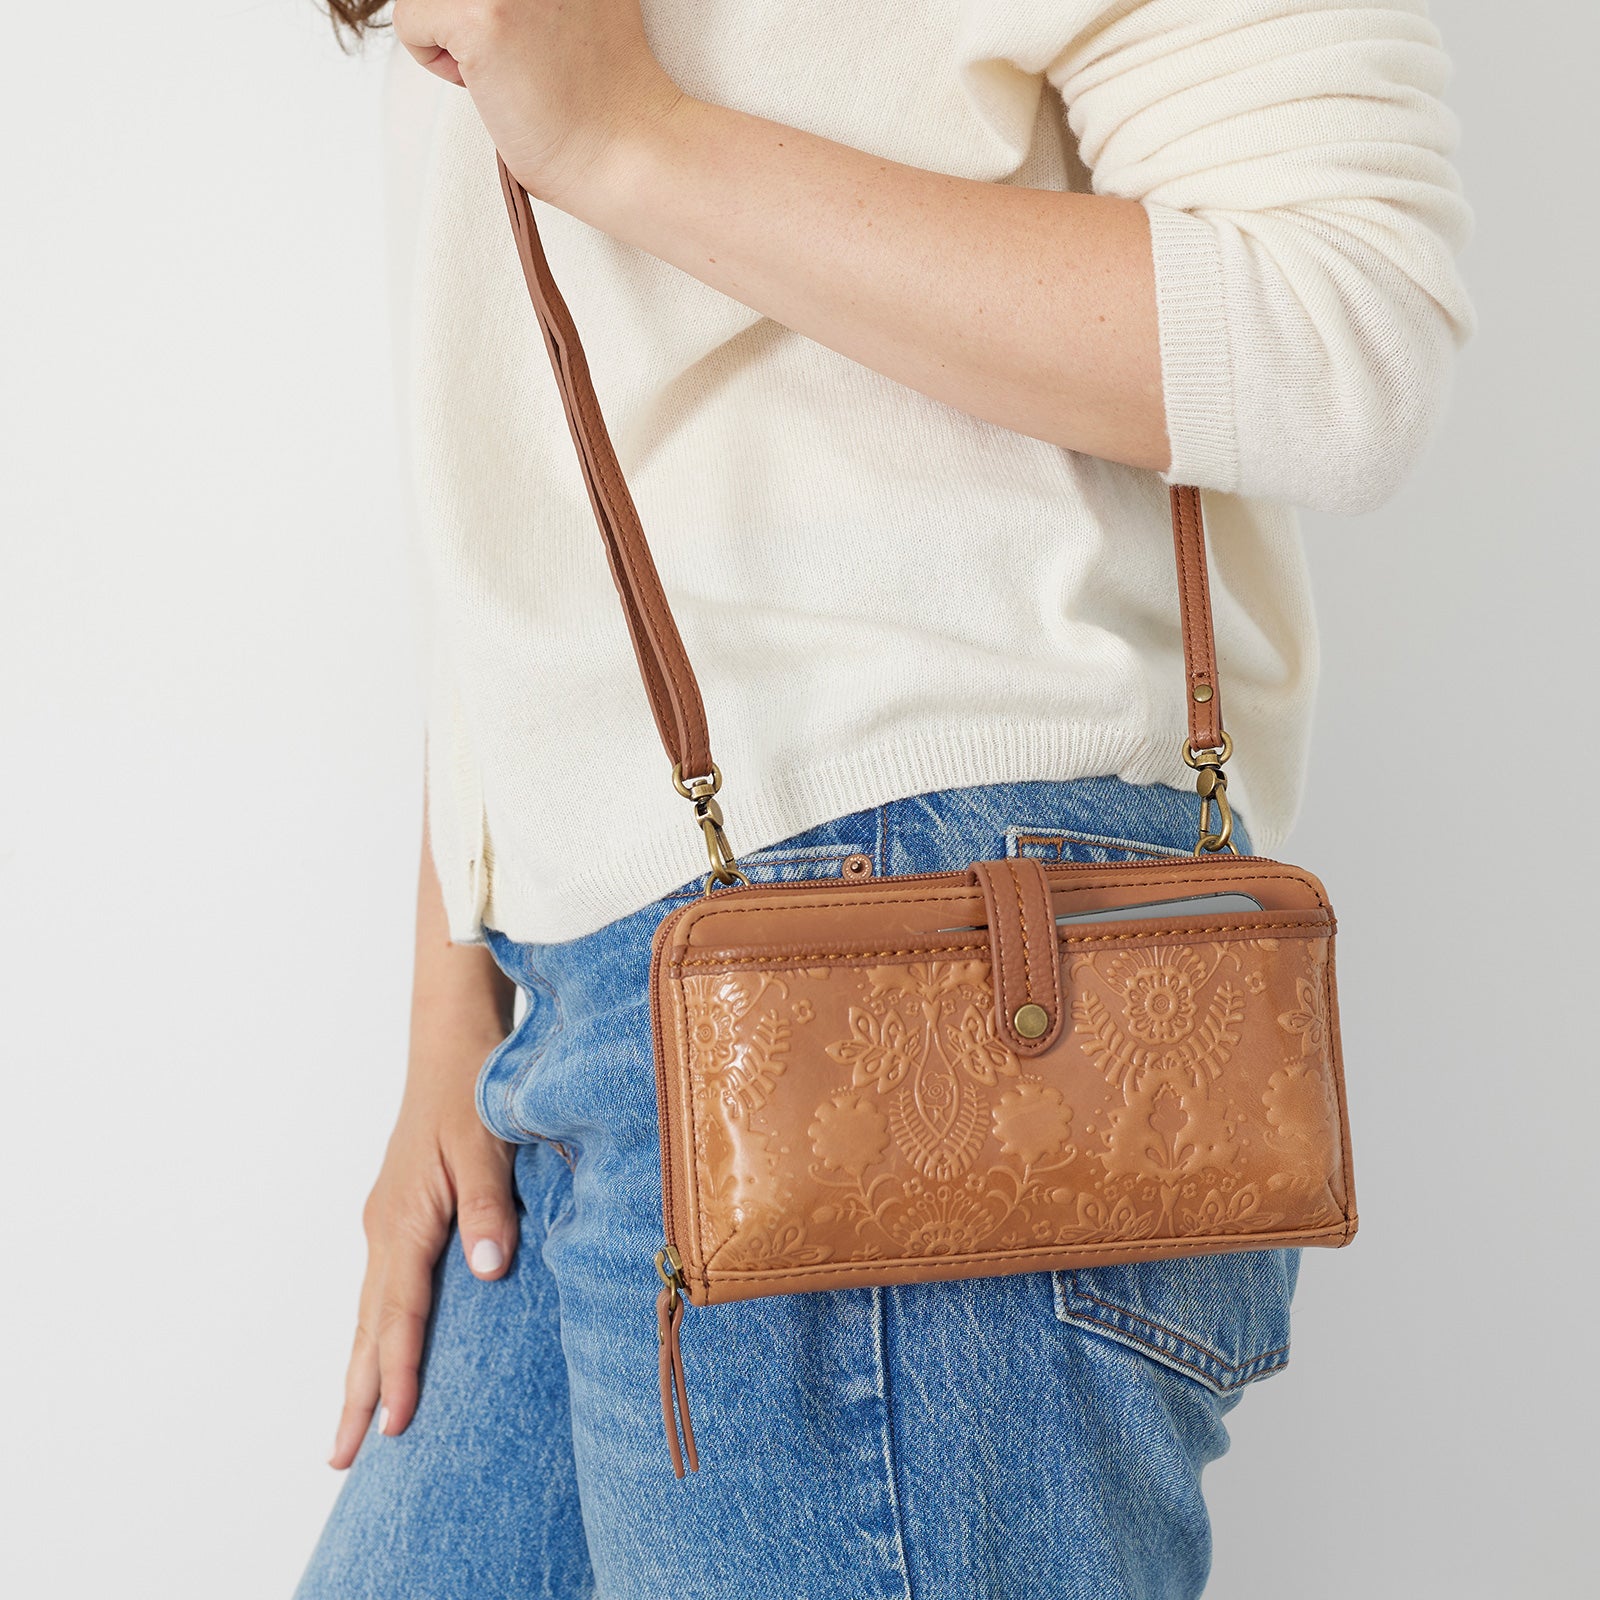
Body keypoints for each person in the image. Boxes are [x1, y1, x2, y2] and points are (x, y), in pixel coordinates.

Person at [296, 2, 1471, 1595]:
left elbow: (1340, 334)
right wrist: (454, 1008)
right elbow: (536, 473)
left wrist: (629, 140)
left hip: (925, 959)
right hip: (586, 1002)